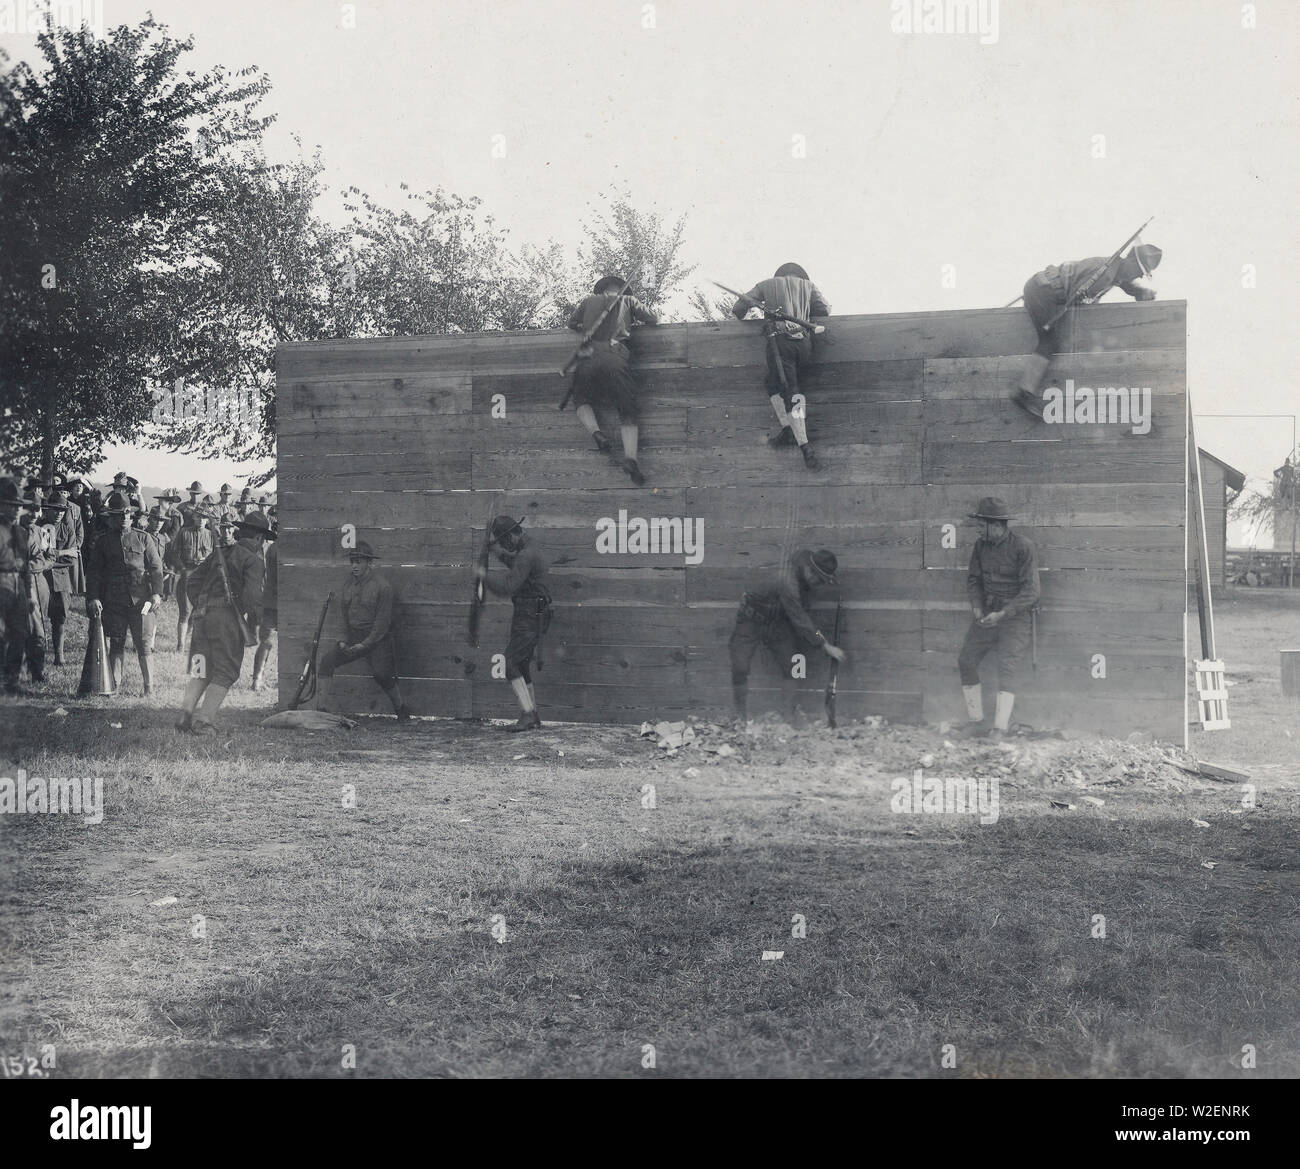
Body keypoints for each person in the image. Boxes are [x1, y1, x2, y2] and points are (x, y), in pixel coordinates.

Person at [1014, 243, 1162, 418]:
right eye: (1139, 270)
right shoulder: (1105, 274)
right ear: (1130, 261)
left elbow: (1125, 284)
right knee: (1050, 342)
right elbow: (1080, 303)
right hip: (1043, 292)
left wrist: (1140, 292)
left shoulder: (1113, 268)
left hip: (1041, 287)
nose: (1140, 275)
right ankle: (1024, 392)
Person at [176, 512, 272, 734]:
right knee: (226, 671)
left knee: (201, 669)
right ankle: (203, 722)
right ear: (259, 538)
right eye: (264, 539)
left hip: (201, 617)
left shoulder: (220, 553)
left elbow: (192, 581)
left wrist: (202, 604)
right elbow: (252, 598)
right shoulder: (253, 561)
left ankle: (185, 715)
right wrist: (255, 620)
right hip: (226, 620)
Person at [730, 263, 832, 470]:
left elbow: (738, 308)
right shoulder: (809, 286)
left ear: (780, 274)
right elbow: (824, 310)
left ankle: (805, 447)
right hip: (805, 344)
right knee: (772, 383)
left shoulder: (766, 284)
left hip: (780, 342)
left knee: (790, 391)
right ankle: (787, 430)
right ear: (800, 275)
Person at [955, 498, 1040, 741]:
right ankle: (977, 722)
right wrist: (977, 609)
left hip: (1015, 618)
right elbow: (974, 581)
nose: (978, 530)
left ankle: (1000, 728)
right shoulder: (980, 547)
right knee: (966, 661)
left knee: (1007, 667)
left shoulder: (1023, 547)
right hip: (987, 615)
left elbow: (1032, 591)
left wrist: (1004, 614)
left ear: (996, 525)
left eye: (981, 525)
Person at [728, 548, 845, 724]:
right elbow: (801, 618)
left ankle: (788, 715)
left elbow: (804, 618)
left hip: (778, 624)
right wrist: (824, 644)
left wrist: (818, 637)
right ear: (809, 570)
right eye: (819, 580)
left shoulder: (802, 580)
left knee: (795, 665)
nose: (819, 585)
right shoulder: (787, 582)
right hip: (750, 620)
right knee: (740, 665)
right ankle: (740, 716)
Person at [566, 275, 659, 486]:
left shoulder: (588, 301)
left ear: (603, 289)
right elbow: (654, 318)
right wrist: (631, 320)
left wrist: (587, 328)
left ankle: (596, 433)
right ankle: (631, 459)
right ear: (621, 289)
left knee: (581, 399)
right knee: (627, 410)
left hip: (588, 356)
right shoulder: (628, 300)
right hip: (615, 356)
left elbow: (571, 323)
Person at [314, 541, 411, 721]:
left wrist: (364, 645)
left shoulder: (382, 587)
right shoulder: (347, 586)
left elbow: (382, 623)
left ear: (369, 563)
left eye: (359, 562)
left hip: (377, 639)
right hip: (353, 637)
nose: (354, 566)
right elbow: (343, 618)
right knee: (327, 661)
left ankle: (401, 710)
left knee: (382, 674)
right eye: (352, 561)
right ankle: (320, 711)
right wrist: (343, 640)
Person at [475, 515, 552, 732]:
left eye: (504, 541)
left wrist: (483, 576)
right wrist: (498, 553)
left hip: (530, 613)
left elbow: (508, 586)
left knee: (509, 663)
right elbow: (518, 565)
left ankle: (528, 714)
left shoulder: (526, 555)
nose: (504, 545)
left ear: (511, 536)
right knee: (521, 664)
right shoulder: (530, 548)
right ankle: (532, 715)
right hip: (534, 612)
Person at [84, 490, 164, 696]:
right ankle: (114, 685)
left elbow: (156, 568)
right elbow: (94, 573)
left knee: (144, 644)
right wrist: (93, 597)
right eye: (119, 515)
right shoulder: (103, 541)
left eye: (127, 514)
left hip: (141, 601)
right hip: (114, 601)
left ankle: (149, 688)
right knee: (117, 643)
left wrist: (157, 593)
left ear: (132, 515)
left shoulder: (143, 538)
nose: (124, 519)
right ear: (111, 517)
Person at [0, 481, 40, 694]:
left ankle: (12, 680)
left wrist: (30, 595)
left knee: (19, 633)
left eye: (19, 505)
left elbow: (26, 568)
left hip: (19, 587)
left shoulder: (22, 532)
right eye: (11, 505)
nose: (16, 509)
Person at [40, 491, 79, 666]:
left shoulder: (67, 529)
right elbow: (38, 556)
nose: (59, 514)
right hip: (42, 578)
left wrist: (51, 556)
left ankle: (59, 656)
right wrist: (63, 552)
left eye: (62, 510)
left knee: (60, 618)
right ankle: (38, 655)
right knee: (38, 617)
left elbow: (72, 559)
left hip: (62, 579)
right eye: (55, 509)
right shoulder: (39, 528)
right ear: (47, 509)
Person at [167, 505, 213, 650]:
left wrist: (206, 561)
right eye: (198, 516)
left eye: (204, 518)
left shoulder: (211, 535)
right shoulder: (184, 532)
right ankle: (180, 646)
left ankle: (190, 642)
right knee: (185, 612)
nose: (201, 520)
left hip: (204, 578)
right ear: (193, 517)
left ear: (208, 520)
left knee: (198, 612)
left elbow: (216, 557)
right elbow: (174, 554)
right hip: (187, 574)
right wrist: (182, 568)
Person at [251, 536, 276, 690]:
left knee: (266, 642)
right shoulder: (278, 549)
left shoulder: (272, 548)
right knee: (267, 642)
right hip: (278, 601)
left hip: (270, 601)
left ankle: (257, 679)